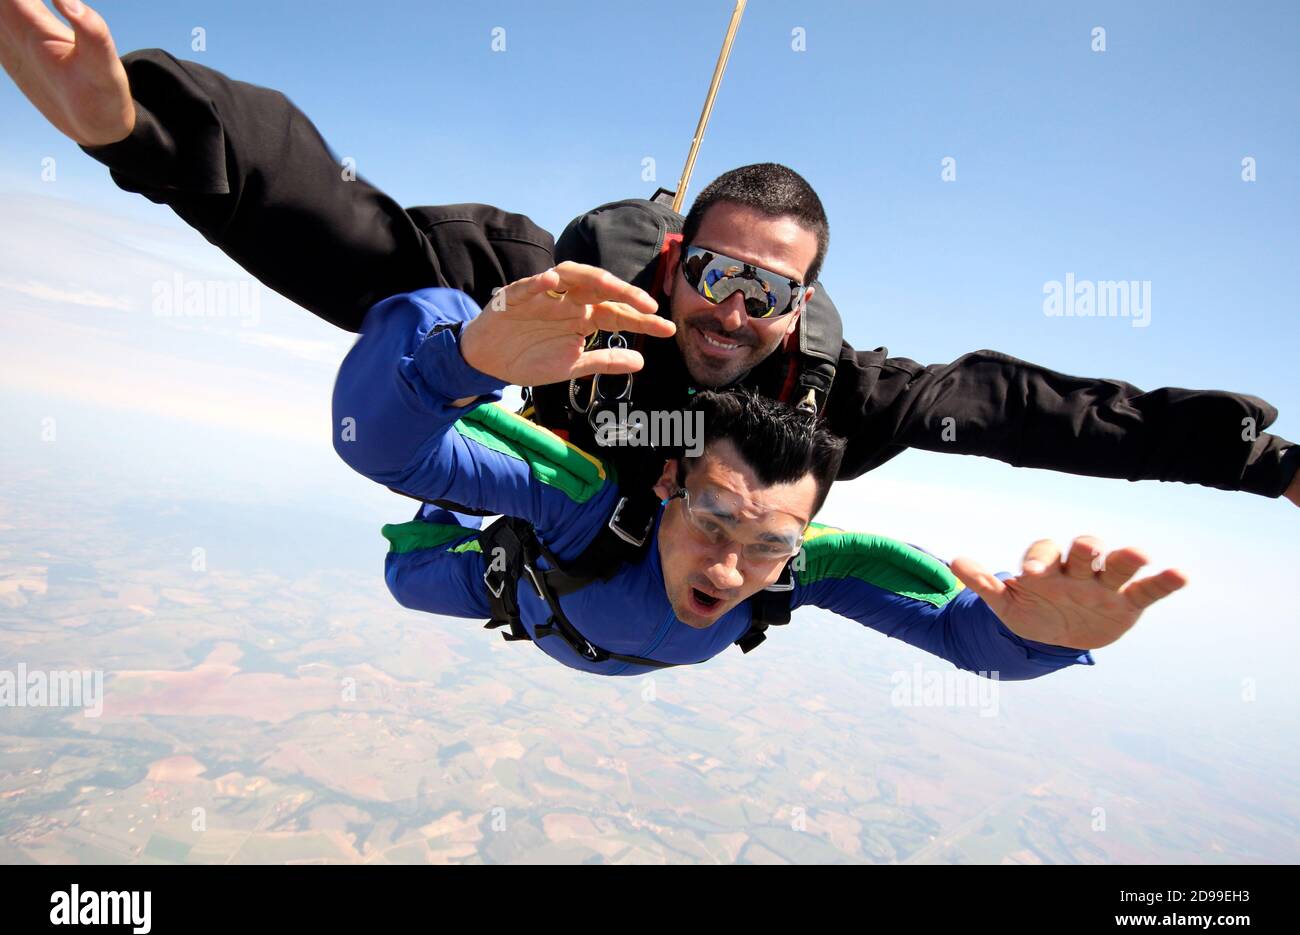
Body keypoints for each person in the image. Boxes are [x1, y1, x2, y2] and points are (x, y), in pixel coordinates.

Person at [3, 0, 1295, 534]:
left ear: (801, 306)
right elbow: (347, 232)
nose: (732, 314)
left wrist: (1258, 462)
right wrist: (140, 130)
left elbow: (1034, 413)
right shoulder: (565, 283)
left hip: (704, 552)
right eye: (717, 274)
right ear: (673, 256)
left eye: (769, 294)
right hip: (579, 516)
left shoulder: (832, 394)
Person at [330, 262, 1188, 677]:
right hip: (509, 587)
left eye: (773, 542)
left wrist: (1042, 641)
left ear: (804, 534)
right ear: (667, 486)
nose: (732, 566)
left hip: (558, 616)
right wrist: (463, 353)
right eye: (712, 518)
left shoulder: (807, 569)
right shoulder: (580, 504)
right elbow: (375, 441)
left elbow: (963, 638)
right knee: (405, 572)